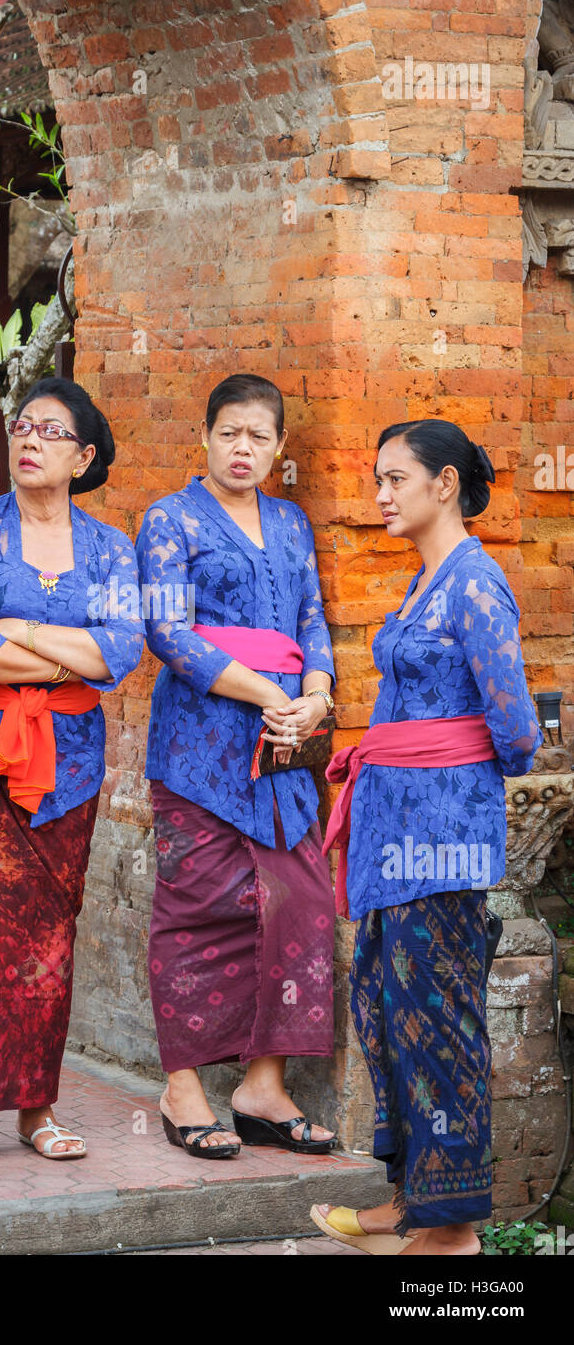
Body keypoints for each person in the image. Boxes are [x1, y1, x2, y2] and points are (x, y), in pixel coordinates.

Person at [312, 419, 541, 1256]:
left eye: (395, 478)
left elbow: (516, 732)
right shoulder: (426, 581)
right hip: (393, 836)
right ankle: (415, 1200)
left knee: (439, 1023)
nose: (379, 494)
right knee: (387, 1007)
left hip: (442, 839)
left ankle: (451, 1230)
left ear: (444, 484)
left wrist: (433, 758)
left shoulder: (476, 584)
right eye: (377, 478)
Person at [0, 377, 143, 1169]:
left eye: (50, 430)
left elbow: (118, 653)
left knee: (48, 937)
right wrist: (59, 643)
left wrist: (18, 627)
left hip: (67, 764)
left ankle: (37, 1108)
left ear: (83, 456)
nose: (29, 439)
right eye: (21, 426)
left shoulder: (113, 548)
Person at [135, 374, 337, 1158]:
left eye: (258, 436)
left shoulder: (291, 524)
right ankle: (182, 1084)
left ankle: (262, 1085)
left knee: (301, 899)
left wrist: (316, 694)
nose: (242, 449)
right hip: (199, 744)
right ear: (206, 437)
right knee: (195, 908)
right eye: (229, 433)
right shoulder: (170, 519)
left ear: (280, 447)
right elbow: (167, 630)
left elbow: (313, 615)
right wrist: (263, 691)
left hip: (284, 746)